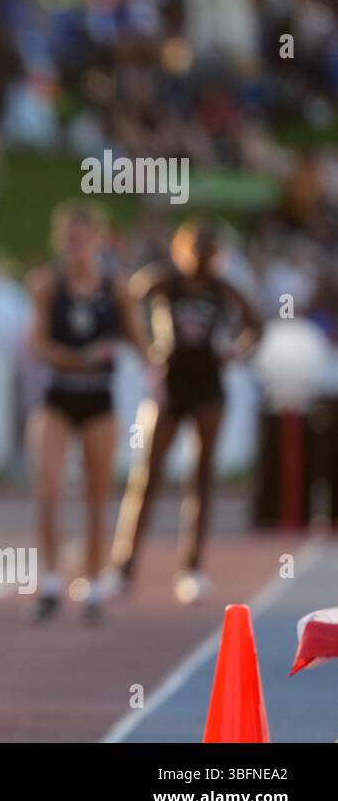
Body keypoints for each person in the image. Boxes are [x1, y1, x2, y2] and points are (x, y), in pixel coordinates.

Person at [110, 221, 261, 604]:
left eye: (208, 253)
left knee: (201, 476)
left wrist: (237, 352)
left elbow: (255, 325)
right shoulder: (163, 282)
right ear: (181, 250)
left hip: (209, 386)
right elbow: (125, 301)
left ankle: (191, 567)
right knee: (148, 475)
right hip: (170, 384)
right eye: (195, 251)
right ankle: (123, 565)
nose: (201, 260)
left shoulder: (223, 289)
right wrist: (146, 352)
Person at [26, 201, 146, 623]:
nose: (75, 247)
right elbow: (37, 346)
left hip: (98, 399)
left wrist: (156, 368)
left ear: (98, 240)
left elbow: (139, 341)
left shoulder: (116, 288)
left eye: (83, 239)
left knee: (96, 497)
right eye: (69, 240)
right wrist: (81, 358)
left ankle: (93, 585)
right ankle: (53, 581)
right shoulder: (47, 285)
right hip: (59, 396)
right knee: (48, 488)